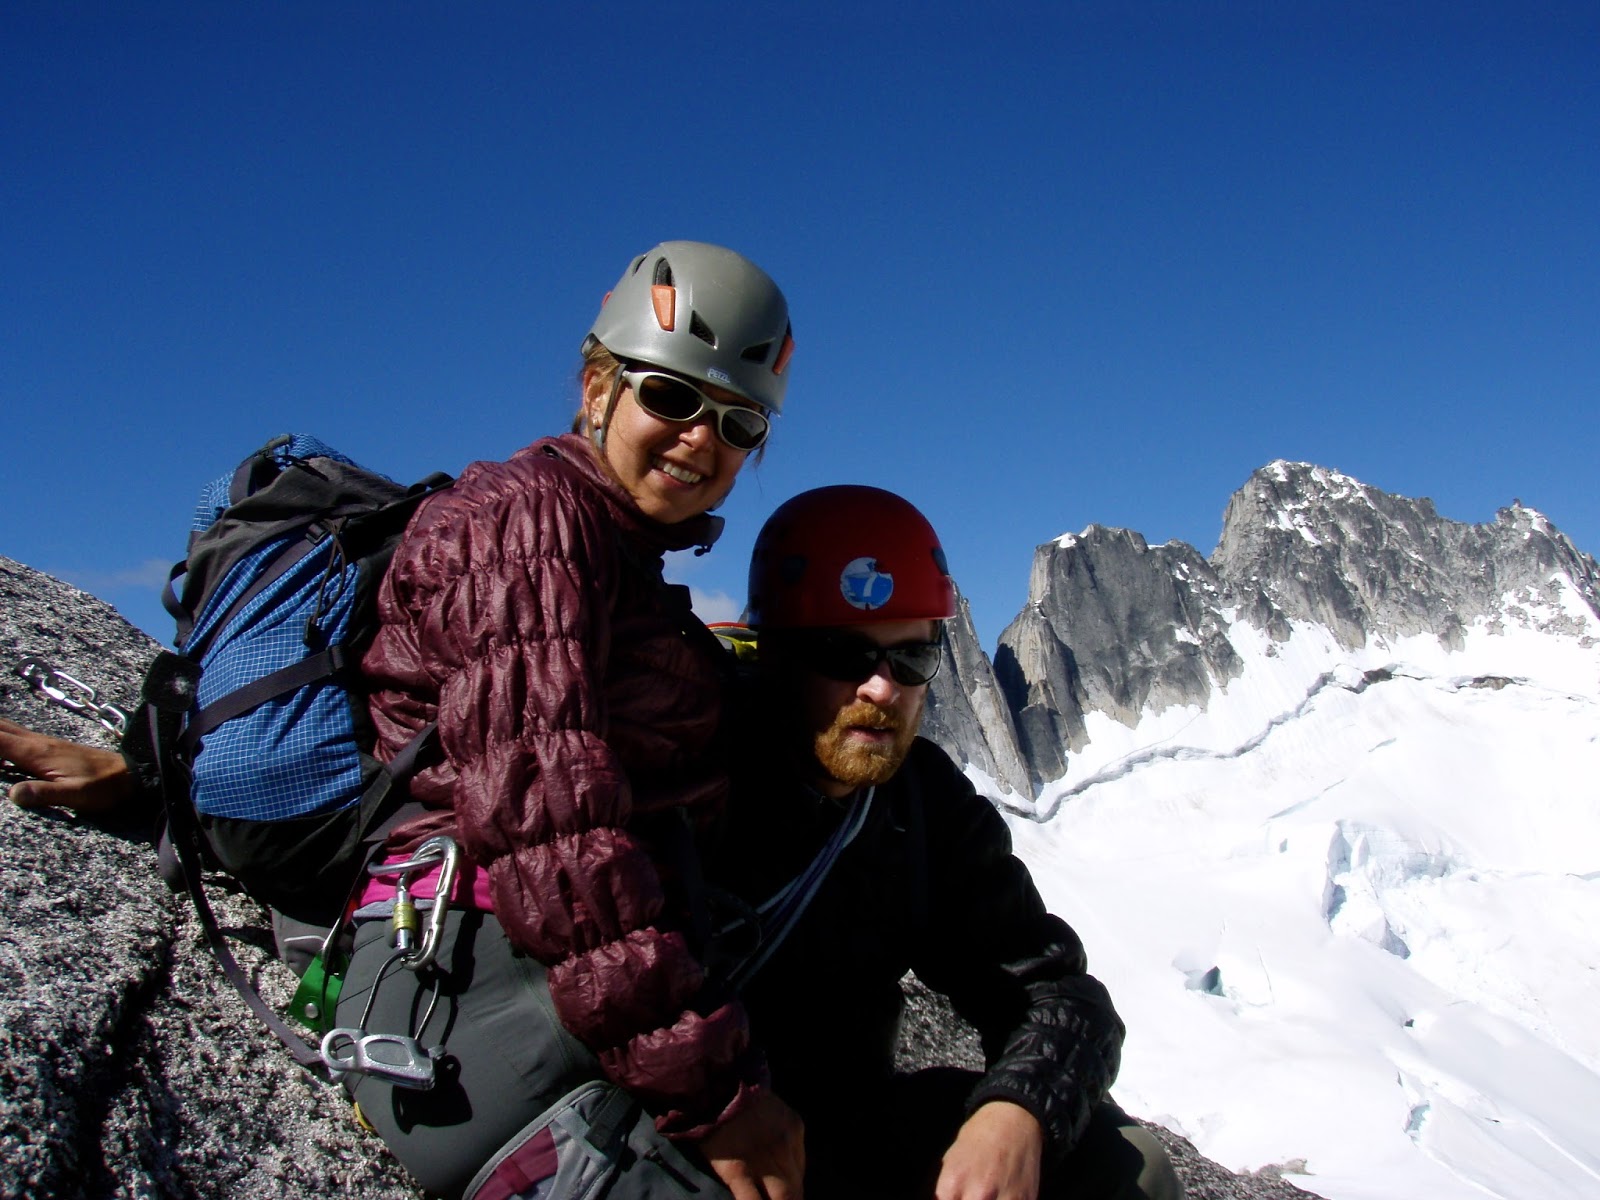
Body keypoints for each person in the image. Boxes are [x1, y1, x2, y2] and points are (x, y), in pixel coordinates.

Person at [4, 240, 809, 1200]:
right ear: (597, 387)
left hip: (528, 962)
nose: (701, 439)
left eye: (737, 420)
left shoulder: (613, 555)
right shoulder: (527, 526)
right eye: (671, 398)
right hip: (468, 989)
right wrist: (712, 1089)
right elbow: (545, 817)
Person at [704, 485, 1182, 1200]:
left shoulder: (920, 801)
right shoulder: (687, 770)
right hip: (688, 1142)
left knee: (1126, 1166)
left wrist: (1017, 1111)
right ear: (774, 653)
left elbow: (1059, 996)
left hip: (842, 1139)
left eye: (912, 659)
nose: (882, 687)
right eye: (844, 653)